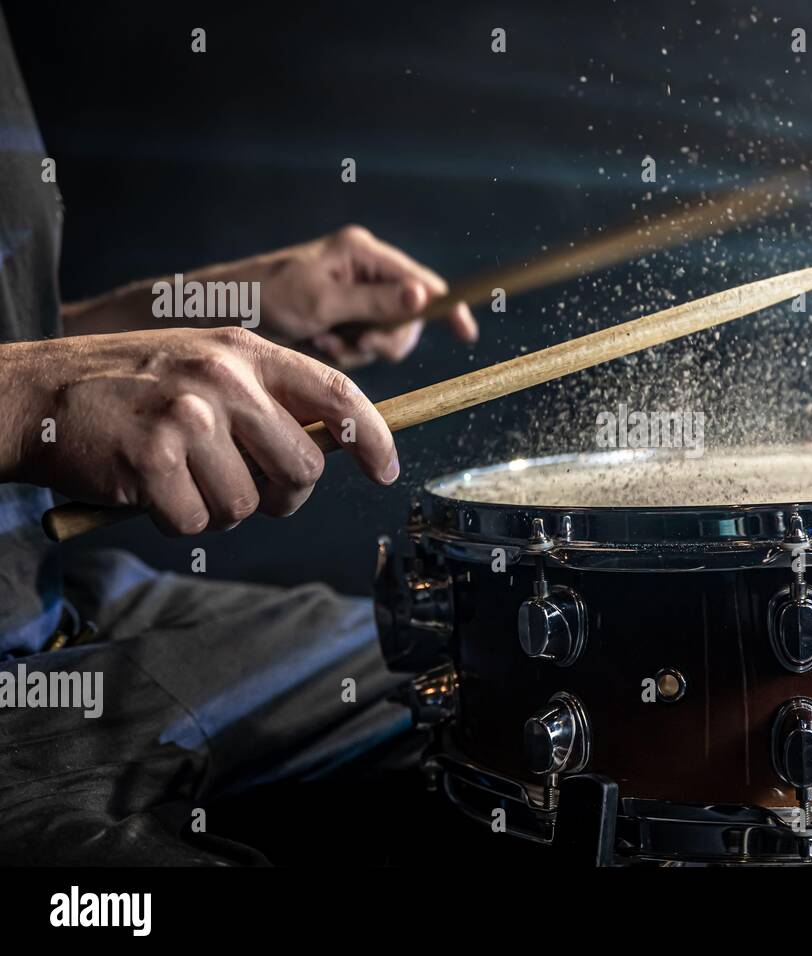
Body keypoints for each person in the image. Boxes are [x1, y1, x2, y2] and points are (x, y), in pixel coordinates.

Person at [0, 10, 475, 863]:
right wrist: (36, 392)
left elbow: (25, 334)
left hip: (57, 606)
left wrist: (209, 310)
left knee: (500, 677)